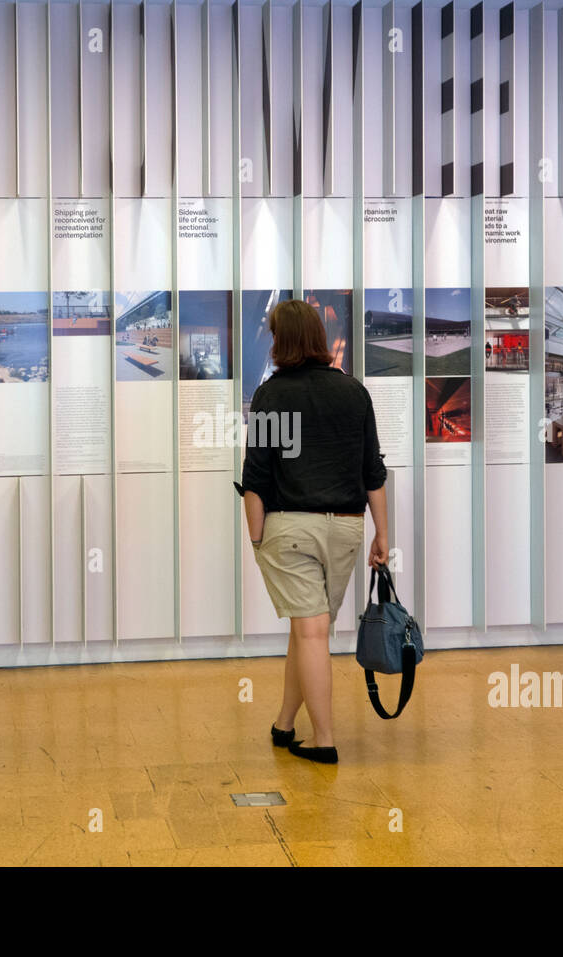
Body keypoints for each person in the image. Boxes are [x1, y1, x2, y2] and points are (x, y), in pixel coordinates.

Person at [235, 299, 389, 765]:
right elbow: (373, 472)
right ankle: (285, 724)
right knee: (310, 631)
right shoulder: (354, 393)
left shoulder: (272, 396)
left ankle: (324, 742)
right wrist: (384, 533)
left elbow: (257, 477)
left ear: (283, 341)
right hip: (346, 529)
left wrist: (256, 538)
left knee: (310, 633)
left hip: (289, 529)